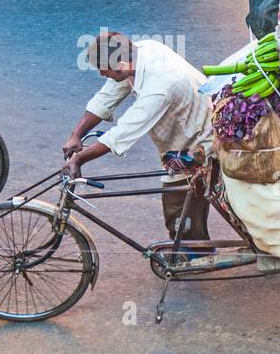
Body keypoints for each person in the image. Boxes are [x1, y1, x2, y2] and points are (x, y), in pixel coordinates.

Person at [63, 32, 213, 242]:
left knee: (178, 202)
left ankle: (194, 255)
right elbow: (107, 97)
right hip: (183, 133)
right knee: (185, 200)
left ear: (122, 65)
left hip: (198, 141)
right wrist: (76, 135)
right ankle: (193, 247)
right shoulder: (141, 52)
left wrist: (80, 159)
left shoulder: (161, 86)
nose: (101, 75)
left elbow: (125, 130)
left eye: (103, 71)